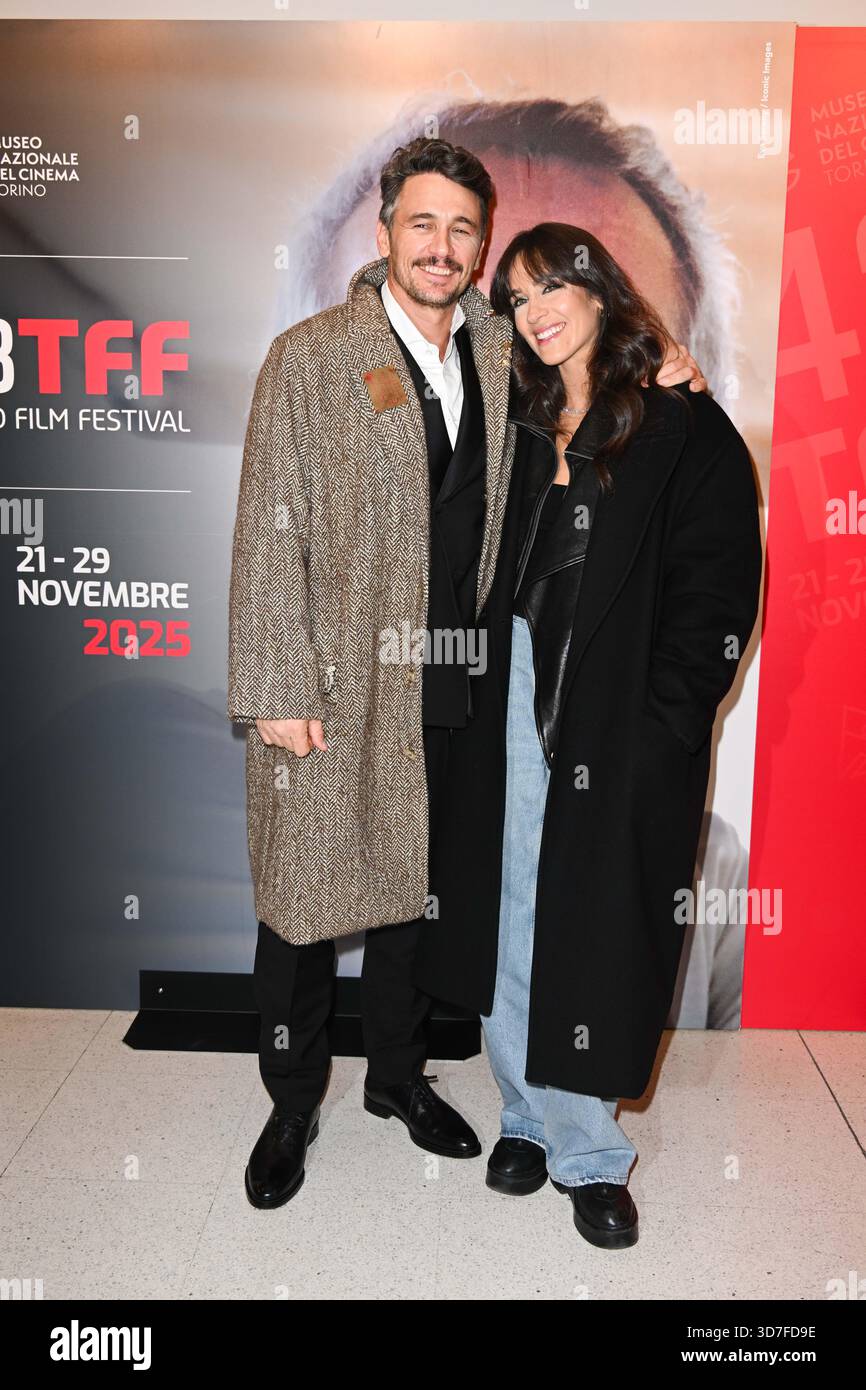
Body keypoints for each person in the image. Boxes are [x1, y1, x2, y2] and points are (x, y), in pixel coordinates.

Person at [228, 141, 705, 1210]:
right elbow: (266, 531)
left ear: (478, 246)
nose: (441, 248)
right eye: (420, 224)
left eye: (461, 231)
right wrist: (278, 685)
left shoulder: (498, 351)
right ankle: (291, 1098)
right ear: (384, 230)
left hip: (459, 683)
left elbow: (592, 349)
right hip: (334, 682)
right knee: (304, 905)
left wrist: (665, 350)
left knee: (417, 898)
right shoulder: (309, 358)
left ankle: (396, 1079)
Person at [411, 222, 763, 1249]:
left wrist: (661, 724)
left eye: (551, 285)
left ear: (597, 287)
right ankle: (524, 1112)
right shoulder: (517, 416)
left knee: (590, 915)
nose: (535, 310)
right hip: (513, 690)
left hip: (610, 710)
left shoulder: (679, 428)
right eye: (515, 298)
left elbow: (714, 600)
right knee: (514, 906)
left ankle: (589, 1151)